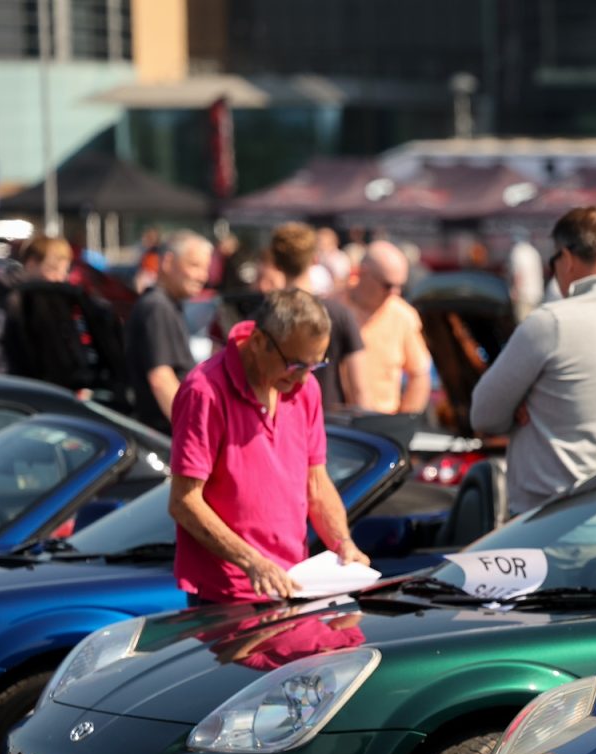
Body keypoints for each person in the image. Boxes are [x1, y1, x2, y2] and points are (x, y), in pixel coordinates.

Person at [169, 289, 370, 605]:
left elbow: (316, 484)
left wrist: (343, 543)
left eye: (314, 366)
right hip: (226, 595)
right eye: (295, 365)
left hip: (294, 586)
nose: (303, 378)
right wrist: (252, 562)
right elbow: (184, 502)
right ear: (260, 341)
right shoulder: (204, 391)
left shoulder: (306, 390)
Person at [470, 206, 596, 515]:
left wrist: (529, 401)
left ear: (567, 258)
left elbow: (483, 415)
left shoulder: (551, 322)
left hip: (550, 523)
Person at [262, 222, 365, 409]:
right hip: (330, 421)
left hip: (269, 419)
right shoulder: (340, 313)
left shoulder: (261, 313)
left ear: (275, 263)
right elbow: (359, 388)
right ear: (315, 259)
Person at [125, 230, 213, 433]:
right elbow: (161, 379)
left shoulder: (168, 304)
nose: (203, 276)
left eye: (206, 268)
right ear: (167, 262)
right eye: (194, 265)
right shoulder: (157, 306)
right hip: (164, 436)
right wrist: (194, 433)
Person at [344, 240, 432, 414]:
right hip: (335, 421)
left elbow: (419, 374)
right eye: (388, 285)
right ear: (363, 273)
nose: (395, 293)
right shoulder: (333, 305)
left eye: (400, 286)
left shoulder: (403, 315)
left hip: (381, 420)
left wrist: (404, 422)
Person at [0, 235, 72, 376]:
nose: (59, 278)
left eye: (64, 271)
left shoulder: (37, 295)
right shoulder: (15, 296)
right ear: (31, 263)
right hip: (20, 386)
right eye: (53, 269)